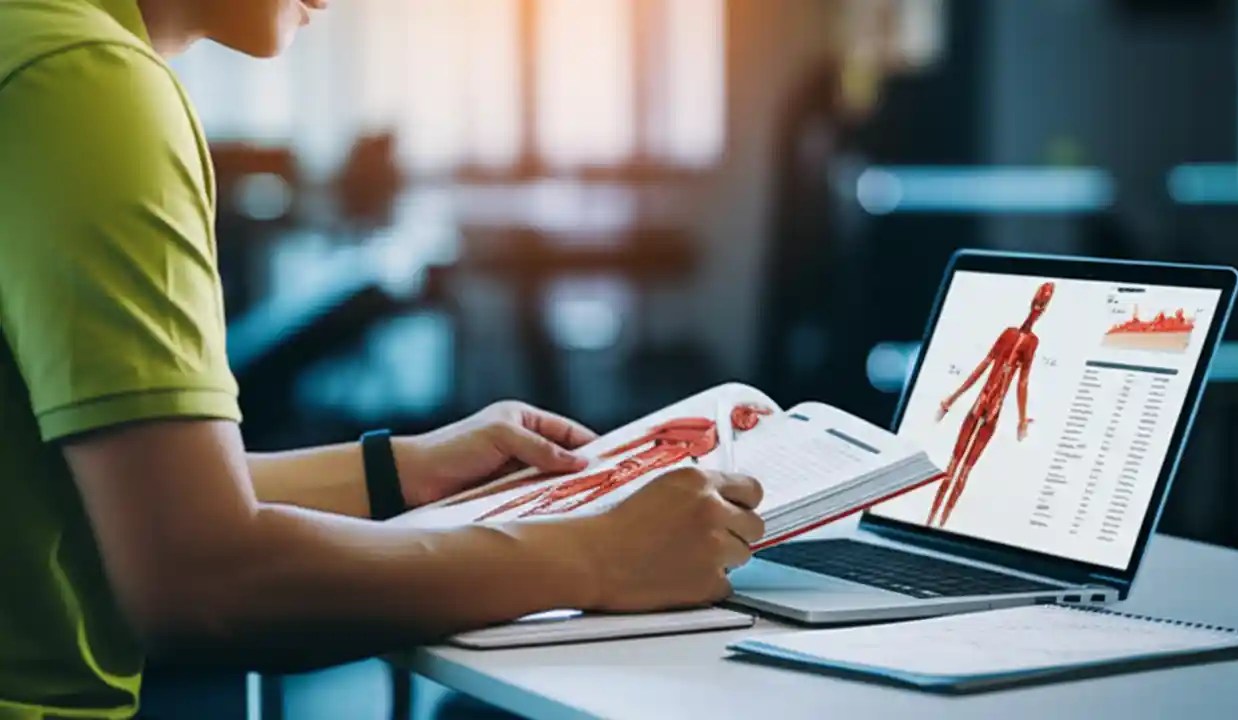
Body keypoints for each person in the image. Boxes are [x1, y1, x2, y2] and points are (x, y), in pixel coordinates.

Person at [0, 1, 766, 717]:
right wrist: (597, 557)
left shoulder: (32, 43)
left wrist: (402, 470)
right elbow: (200, 578)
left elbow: (120, 501)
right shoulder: (89, 82)